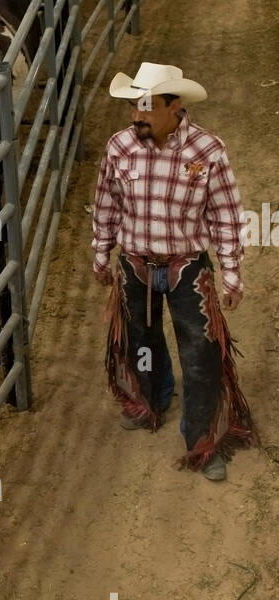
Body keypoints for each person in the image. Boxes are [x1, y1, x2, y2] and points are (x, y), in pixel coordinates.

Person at [92, 61, 255, 483]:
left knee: (200, 355)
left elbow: (226, 216)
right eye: (133, 106)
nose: (136, 115)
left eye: (146, 106)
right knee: (142, 341)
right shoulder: (120, 147)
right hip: (135, 266)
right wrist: (100, 254)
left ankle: (202, 441)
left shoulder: (207, 151)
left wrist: (231, 272)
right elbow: (107, 204)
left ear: (174, 105)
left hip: (187, 268)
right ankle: (149, 401)